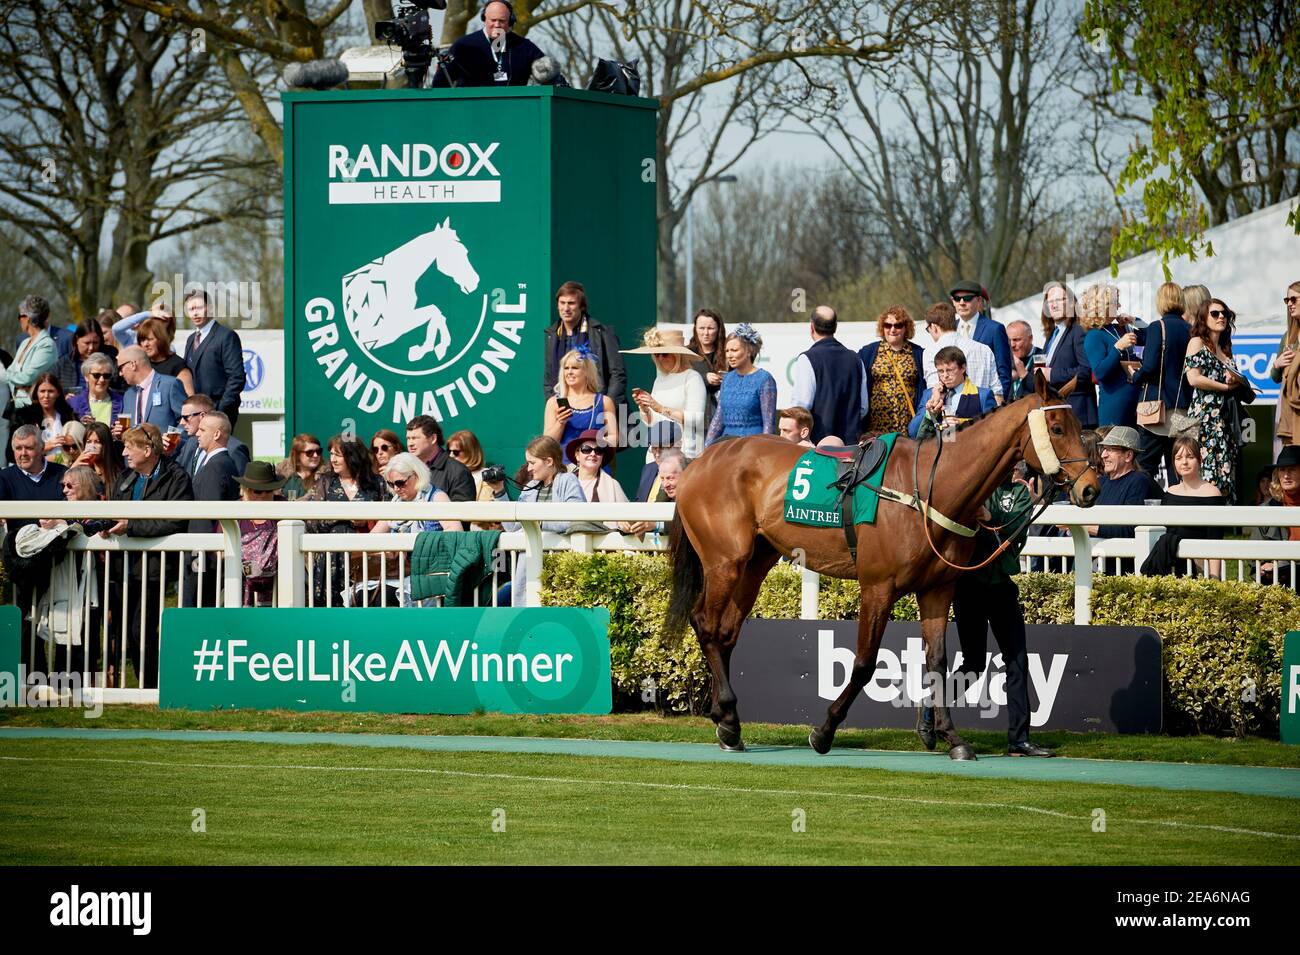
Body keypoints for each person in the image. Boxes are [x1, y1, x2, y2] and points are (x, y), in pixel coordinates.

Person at [940, 468, 1054, 757]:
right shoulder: (974, 486)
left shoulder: (1019, 494)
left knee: (1017, 661)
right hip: (969, 588)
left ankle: (1019, 740)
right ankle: (933, 709)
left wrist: (990, 520)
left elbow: (1014, 535)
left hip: (1002, 587)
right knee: (974, 664)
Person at [103, 423, 193, 688]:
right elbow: (115, 512)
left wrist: (132, 527)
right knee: (128, 632)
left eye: (129, 447)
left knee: (141, 629)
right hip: (124, 566)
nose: (124, 453)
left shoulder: (176, 477)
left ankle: (151, 686)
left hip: (154, 567)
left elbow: (175, 522)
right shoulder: (127, 477)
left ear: (147, 448)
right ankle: (144, 684)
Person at [488, 436, 585, 606]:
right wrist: (499, 492)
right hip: (530, 566)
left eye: (532, 463)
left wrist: (535, 523)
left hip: (559, 565)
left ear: (548, 461)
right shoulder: (531, 487)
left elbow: (575, 519)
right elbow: (512, 527)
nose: (529, 468)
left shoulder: (568, 480)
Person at [1184, 298, 1253, 503]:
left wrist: (1236, 380)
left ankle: (1219, 526)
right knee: (1204, 473)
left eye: (1225, 313)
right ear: (1204, 318)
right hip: (1204, 420)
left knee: (1224, 474)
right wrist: (1225, 386)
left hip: (1225, 421)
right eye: (1215, 313)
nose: (1221, 317)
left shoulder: (1225, 349)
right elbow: (1193, 378)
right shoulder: (1197, 342)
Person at [306, 436, 386, 607]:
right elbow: (311, 522)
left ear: (352, 456)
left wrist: (366, 520)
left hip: (365, 556)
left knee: (364, 603)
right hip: (330, 557)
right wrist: (340, 517)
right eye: (331, 454)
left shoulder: (376, 482)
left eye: (337, 455)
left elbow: (389, 518)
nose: (332, 459)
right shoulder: (326, 482)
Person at [1133, 281, 1192, 484]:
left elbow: (1149, 367)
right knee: (1180, 468)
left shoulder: (1157, 327)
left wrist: (1134, 376)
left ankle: (1141, 512)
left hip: (1156, 411)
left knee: (1144, 467)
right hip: (1184, 409)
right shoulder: (1191, 329)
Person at [1140, 436, 1224, 578]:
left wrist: (1214, 577)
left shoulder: (1212, 492)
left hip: (1200, 563)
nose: (1184, 462)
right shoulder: (1170, 492)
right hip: (1171, 562)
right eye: (1178, 458)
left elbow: (1215, 538)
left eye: (1190, 457)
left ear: (1199, 460)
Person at [183, 411, 242, 607]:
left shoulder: (216, 466)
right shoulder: (223, 463)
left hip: (206, 555)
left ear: (216, 434)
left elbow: (207, 515)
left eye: (202, 429)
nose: (197, 433)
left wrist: (200, 554)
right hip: (210, 553)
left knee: (198, 607)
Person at [542, 281, 626, 412]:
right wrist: (558, 408)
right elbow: (549, 379)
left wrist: (604, 407)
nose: (566, 308)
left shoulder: (602, 332)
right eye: (562, 303)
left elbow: (617, 375)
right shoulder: (551, 335)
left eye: (571, 303)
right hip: (566, 412)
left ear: (582, 306)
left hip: (598, 409)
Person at [623, 328, 707, 459]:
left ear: (677, 354)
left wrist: (661, 408)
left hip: (685, 452)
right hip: (657, 452)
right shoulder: (660, 378)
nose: (660, 358)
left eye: (665, 354)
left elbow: (696, 419)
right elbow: (655, 421)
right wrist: (646, 409)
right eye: (657, 354)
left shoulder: (692, 377)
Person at [791, 305, 869, 444]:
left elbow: (801, 407)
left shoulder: (807, 359)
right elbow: (862, 408)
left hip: (819, 447)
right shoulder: (856, 359)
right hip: (851, 448)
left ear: (811, 327)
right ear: (835, 327)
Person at [431, 0, 545, 88]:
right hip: (472, 112)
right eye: (493, 20)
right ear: (484, 19)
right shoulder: (463, 46)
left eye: (502, 21)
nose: (497, 25)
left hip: (514, 111)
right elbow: (440, 83)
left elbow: (549, 73)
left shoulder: (524, 46)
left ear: (510, 21)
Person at [1085, 426, 1162, 550]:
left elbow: (1129, 529)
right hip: (1099, 557)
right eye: (1104, 449)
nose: (1103, 455)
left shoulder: (1139, 481)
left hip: (1127, 561)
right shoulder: (1101, 482)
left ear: (1128, 456)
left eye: (1110, 450)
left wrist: (1085, 527)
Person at [1080, 283, 1142, 428]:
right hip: (1114, 408)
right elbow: (1100, 372)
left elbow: (1144, 347)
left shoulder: (1120, 328)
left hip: (1136, 402)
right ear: (1102, 305)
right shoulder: (1094, 335)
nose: (1119, 305)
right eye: (1115, 302)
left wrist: (1134, 320)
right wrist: (1118, 348)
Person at [704, 324, 777, 447]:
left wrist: (764, 450)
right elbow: (719, 418)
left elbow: (769, 423)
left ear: (749, 351)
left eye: (734, 350)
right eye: (727, 351)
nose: (729, 355)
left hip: (753, 445)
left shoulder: (765, 379)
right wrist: (706, 449)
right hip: (727, 445)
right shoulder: (727, 379)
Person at [181, 289, 245, 427]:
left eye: (199, 307)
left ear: (209, 308)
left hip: (220, 414)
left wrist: (221, 409)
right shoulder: (191, 340)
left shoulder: (226, 336)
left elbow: (237, 377)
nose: (195, 313)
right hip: (195, 416)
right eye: (191, 309)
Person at [860, 305, 924, 434]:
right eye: (888, 325)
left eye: (898, 325)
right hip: (875, 428)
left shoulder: (918, 353)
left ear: (906, 328)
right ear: (882, 328)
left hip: (907, 428)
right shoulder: (868, 352)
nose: (892, 329)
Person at [1040, 282, 1096, 429]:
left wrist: (1052, 375)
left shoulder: (1078, 330)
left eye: (1059, 300)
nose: (1053, 305)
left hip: (1079, 415)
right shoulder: (1051, 336)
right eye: (1050, 301)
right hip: (1059, 415)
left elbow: (1086, 371)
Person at [908, 346, 996, 438]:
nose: (945, 375)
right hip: (938, 451)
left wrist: (962, 426)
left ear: (963, 368)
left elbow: (993, 432)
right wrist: (931, 409)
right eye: (941, 371)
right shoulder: (929, 394)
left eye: (950, 370)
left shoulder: (983, 396)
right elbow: (913, 432)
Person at [920, 301, 1000, 399]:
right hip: (986, 411)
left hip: (950, 412)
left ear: (934, 327)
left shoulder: (930, 352)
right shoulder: (984, 349)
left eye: (928, 330)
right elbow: (997, 392)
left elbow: (933, 393)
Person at [543, 348, 618, 452]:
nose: (569, 372)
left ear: (587, 371)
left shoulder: (605, 402)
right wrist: (560, 423)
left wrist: (595, 445)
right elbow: (547, 444)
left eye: (575, 368)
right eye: (566, 368)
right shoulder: (554, 402)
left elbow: (614, 439)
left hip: (593, 461)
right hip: (565, 465)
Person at [949, 279, 1013, 399]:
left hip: (985, 403)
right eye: (957, 299)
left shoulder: (995, 329)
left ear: (979, 301)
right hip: (953, 401)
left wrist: (998, 406)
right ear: (953, 302)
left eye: (967, 298)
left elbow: (1003, 372)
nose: (962, 303)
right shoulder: (949, 328)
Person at [233, 461, 286, 606]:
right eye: (257, 491)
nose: (263, 495)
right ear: (245, 489)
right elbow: (218, 550)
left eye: (268, 490)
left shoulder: (284, 508)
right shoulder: (233, 511)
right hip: (239, 585)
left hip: (280, 587)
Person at [372, 452, 463, 534]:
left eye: (400, 483)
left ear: (416, 475)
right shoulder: (396, 501)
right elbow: (373, 536)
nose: (396, 488)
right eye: (391, 484)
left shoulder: (437, 497)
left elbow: (455, 532)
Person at [1251, 445, 1300, 586]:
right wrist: (1263, 567)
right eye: (1282, 470)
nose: (1286, 475)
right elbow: (1254, 555)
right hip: (1279, 581)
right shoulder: (1267, 510)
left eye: (1292, 469)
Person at [117, 345, 185, 437]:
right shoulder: (128, 395)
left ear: (133, 364)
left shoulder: (169, 385)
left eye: (120, 368)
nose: (120, 373)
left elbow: (186, 420)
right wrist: (120, 433)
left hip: (163, 451)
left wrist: (173, 441)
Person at [7, 373, 75, 466]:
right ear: (36, 393)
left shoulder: (68, 416)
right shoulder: (24, 418)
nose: (46, 396)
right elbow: (11, 454)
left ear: (58, 393)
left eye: (50, 391)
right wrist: (44, 447)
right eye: (42, 391)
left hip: (65, 468)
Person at [405, 414, 476, 502]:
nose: (410, 444)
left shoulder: (458, 472)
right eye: (408, 438)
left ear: (433, 438)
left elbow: (462, 513)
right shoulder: (406, 469)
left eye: (415, 438)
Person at [174, 393, 250, 476]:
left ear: (202, 415)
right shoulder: (190, 444)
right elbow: (175, 476)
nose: (181, 422)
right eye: (180, 418)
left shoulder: (234, 449)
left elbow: (243, 485)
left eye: (186, 417)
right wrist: (166, 454)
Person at [8, 295, 58, 413]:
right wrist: (17, 383)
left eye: (20, 316)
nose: (19, 320)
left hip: (35, 410)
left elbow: (27, 377)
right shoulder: (25, 342)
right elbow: (11, 371)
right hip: (18, 406)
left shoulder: (47, 345)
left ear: (28, 318)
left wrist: (13, 379)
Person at [1270, 280, 1300, 455]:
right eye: (1287, 300)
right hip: (1289, 404)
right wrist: (1277, 364)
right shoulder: (1288, 337)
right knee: (1291, 457)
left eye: (1294, 299)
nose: (1289, 304)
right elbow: (1274, 377)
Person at [136, 317, 195, 397]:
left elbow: (189, 400)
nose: (146, 344)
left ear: (161, 339)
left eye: (150, 339)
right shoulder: (142, 365)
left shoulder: (178, 366)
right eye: (142, 340)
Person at [688, 308, 726, 427]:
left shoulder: (728, 352)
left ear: (719, 330)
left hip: (723, 418)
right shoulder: (686, 354)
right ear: (695, 329)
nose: (706, 333)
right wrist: (704, 378)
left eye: (710, 328)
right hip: (695, 419)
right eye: (701, 328)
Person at [567, 429, 626, 505]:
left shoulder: (612, 486)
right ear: (577, 455)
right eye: (586, 449)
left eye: (598, 450)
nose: (593, 454)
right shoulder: (564, 483)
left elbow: (625, 514)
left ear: (602, 457)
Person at [52, 320, 105, 396]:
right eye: (87, 343)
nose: (91, 348)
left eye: (95, 343)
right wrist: (62, 400)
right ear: (77, 340)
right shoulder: (61, 366)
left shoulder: (110, 364)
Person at [68, 353, 123, 427]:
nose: (102, 380)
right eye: (96, 375)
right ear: (86, 377)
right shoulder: (73, 403)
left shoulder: (122, 402)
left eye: (106, 376)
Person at [70, 421, 120, 500]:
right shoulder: (82, 472)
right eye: (89, 442)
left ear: (106, 445)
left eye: (97, 442)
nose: (92, 446)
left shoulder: (118, 474)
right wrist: (74, 466)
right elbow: (65, 492)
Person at [635, 420, 681, 502]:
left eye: (662, 448)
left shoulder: (687, 469)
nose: (657, 454)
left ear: (676, 446)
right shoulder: (648, 469)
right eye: (654, 449)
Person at [278, 433, 329, 500]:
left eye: (318, 451)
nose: (315, 455)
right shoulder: (281, 476)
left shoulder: (327, 477)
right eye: (309, 452)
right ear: (297, 455)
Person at [1006, 319, 1045, 402]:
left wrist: (1024, 375)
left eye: (1017, 340)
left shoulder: (1041, 356)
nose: (1012, 345)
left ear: (1030, 338)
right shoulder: (1006, 359)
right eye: (1009, 340)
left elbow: (1043, 390)